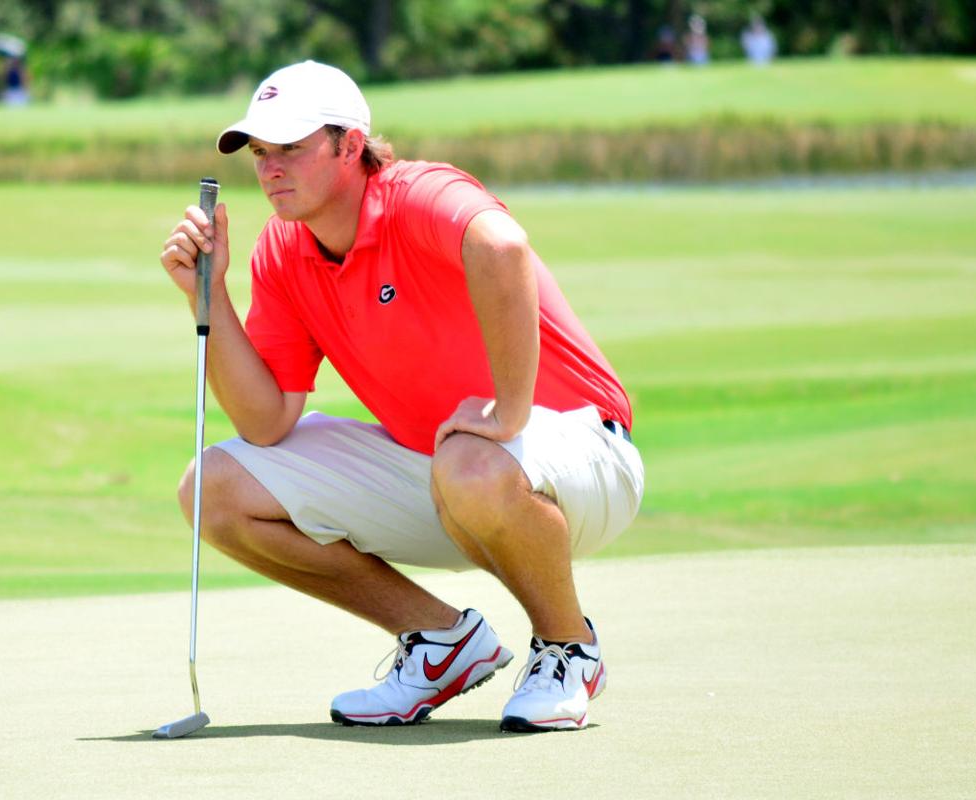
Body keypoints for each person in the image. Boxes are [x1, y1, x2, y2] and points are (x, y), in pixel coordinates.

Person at [158, 60, 644, 733]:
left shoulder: (417, 193)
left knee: (471, 462)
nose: (271, 169)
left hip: (583, 455)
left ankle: (569, 650)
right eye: (261, 154)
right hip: (447, 475)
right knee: (212, 487)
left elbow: (504, 247)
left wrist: (508, 412)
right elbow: (266, 423)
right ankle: (442, 643)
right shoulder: (284, 249)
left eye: (291, 149)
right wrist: (208, 295)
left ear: (349, 145)